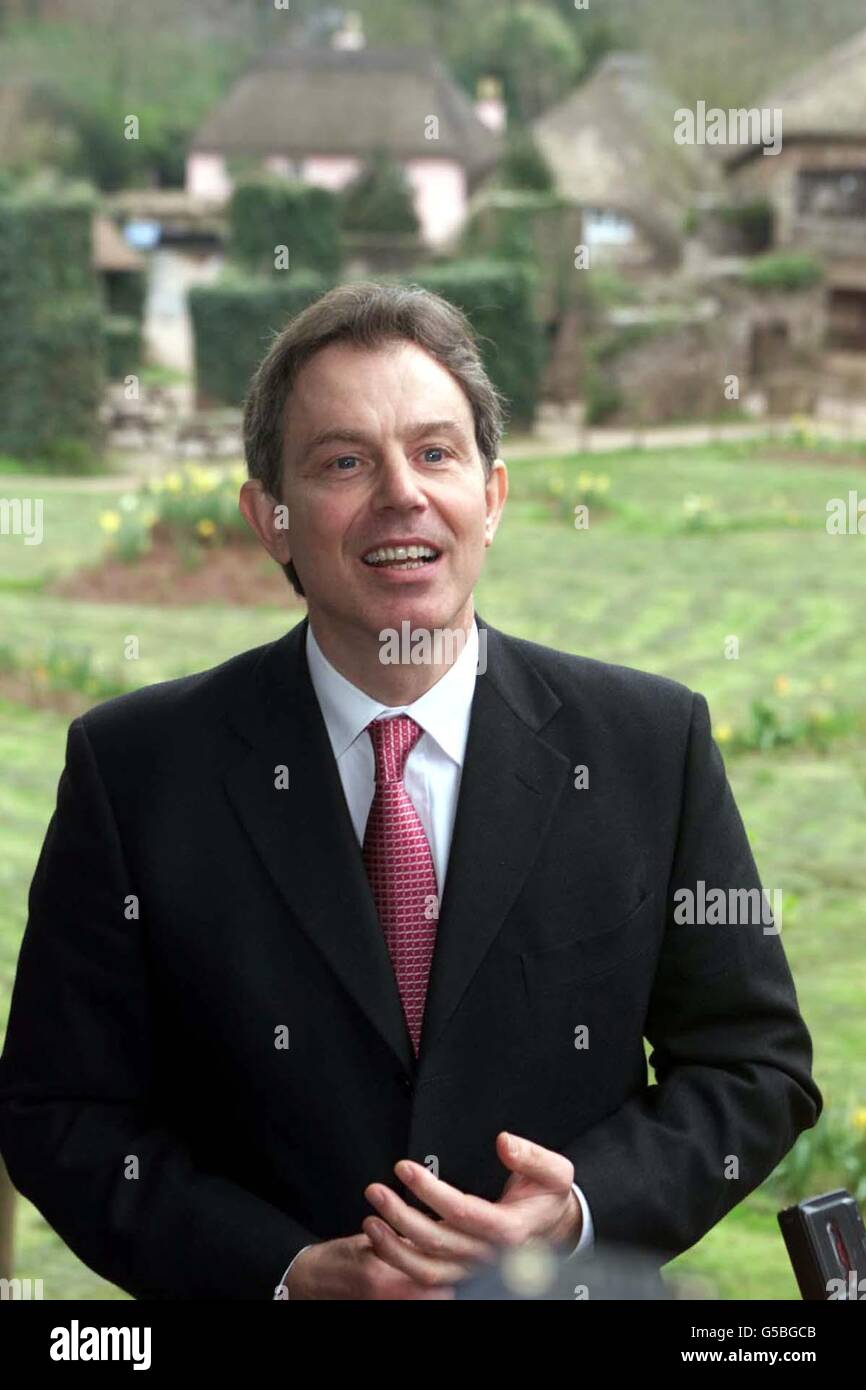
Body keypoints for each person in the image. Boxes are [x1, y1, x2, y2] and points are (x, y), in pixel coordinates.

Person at [0, 283, 822, 1300]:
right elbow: (61, 1113)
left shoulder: (650, 743)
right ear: (272, 520)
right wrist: (286, 1274)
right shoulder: (134, 771)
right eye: (344, 461)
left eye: (434, 452)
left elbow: (753, 1069)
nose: (401, 492)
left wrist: (572, 1216)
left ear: (493, 496)